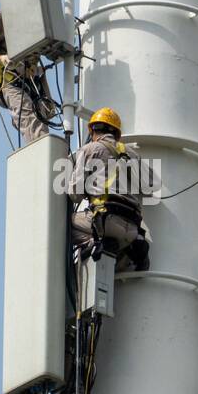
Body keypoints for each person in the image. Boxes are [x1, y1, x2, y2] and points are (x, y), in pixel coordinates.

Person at [68, 107, 159, 273]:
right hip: (132, 228)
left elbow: (75, 194)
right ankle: (133, 250)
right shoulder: (130, 153)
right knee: (116, 261)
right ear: (117, 133)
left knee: (65, 225)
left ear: (93, 130)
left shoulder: (89, 150)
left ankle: (93, 242)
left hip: (103, 222)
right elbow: (152, 186)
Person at [0, 11, 56, 145]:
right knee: (32, 121)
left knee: (45, 115)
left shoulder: (37, 20)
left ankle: (46, 152)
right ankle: (43, 153)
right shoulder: (2, 18)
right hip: (12, 82)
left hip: (33, 83)